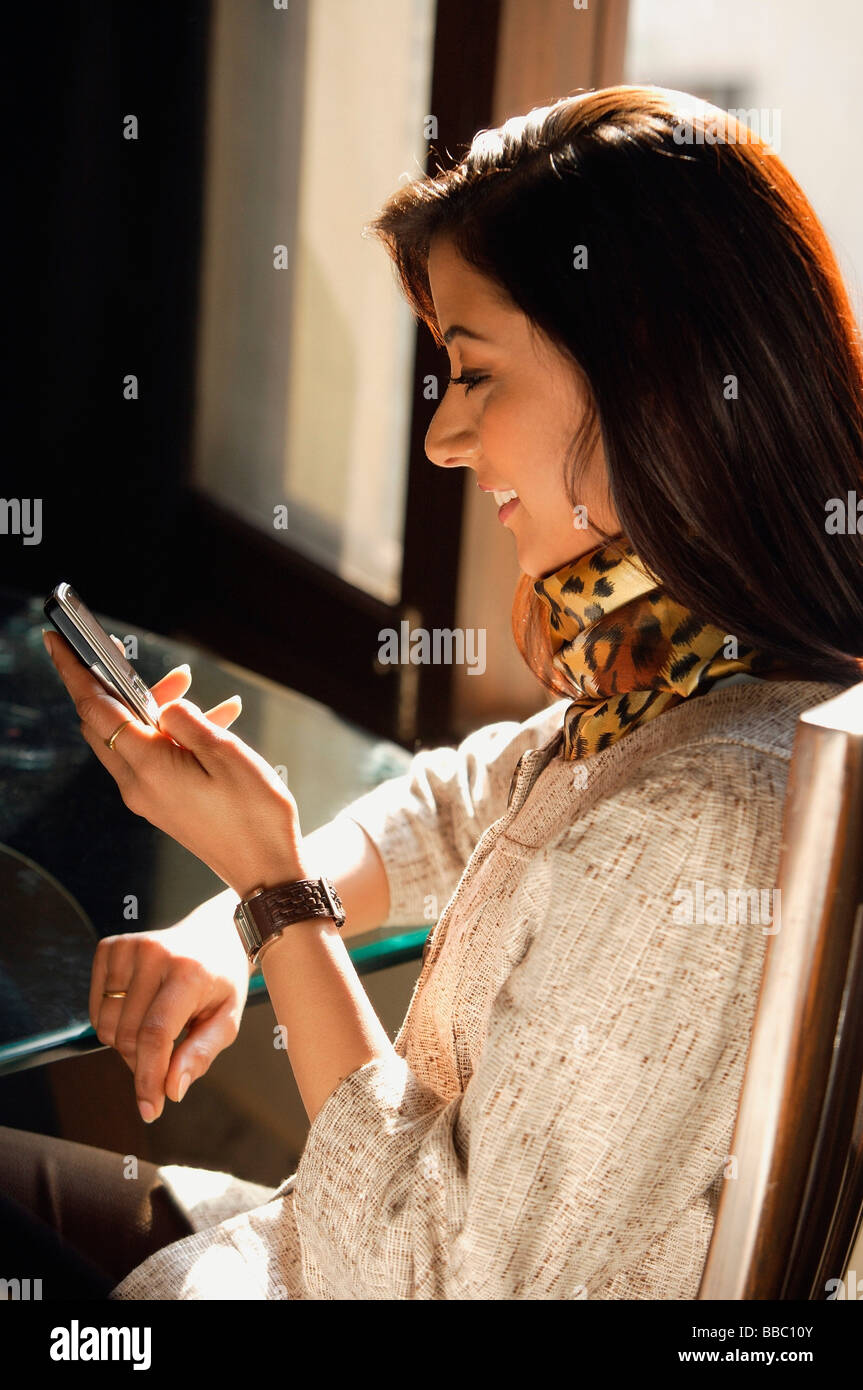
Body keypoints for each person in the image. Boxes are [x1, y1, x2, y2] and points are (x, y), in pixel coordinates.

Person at [3, 85, 862, 1300]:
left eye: (471, 373)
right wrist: (230, 921)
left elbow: (417, 1279)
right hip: (285, 1244)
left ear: (642, 377)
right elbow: (467, 798)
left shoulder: (702, 819)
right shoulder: (691, 666)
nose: (442, 440)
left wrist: (272, 887)